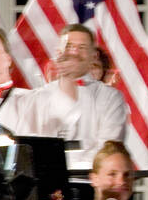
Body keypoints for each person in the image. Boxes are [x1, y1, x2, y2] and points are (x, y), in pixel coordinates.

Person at [10, 24, 127, 170]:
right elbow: (26, 144)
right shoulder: (38, 98)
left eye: (82, 48)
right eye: (69, 46)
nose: (74, 53)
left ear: (93, 56)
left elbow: (110, 147)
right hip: (47, 181)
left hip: (91, 181)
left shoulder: (111, 97)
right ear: (59, 54)